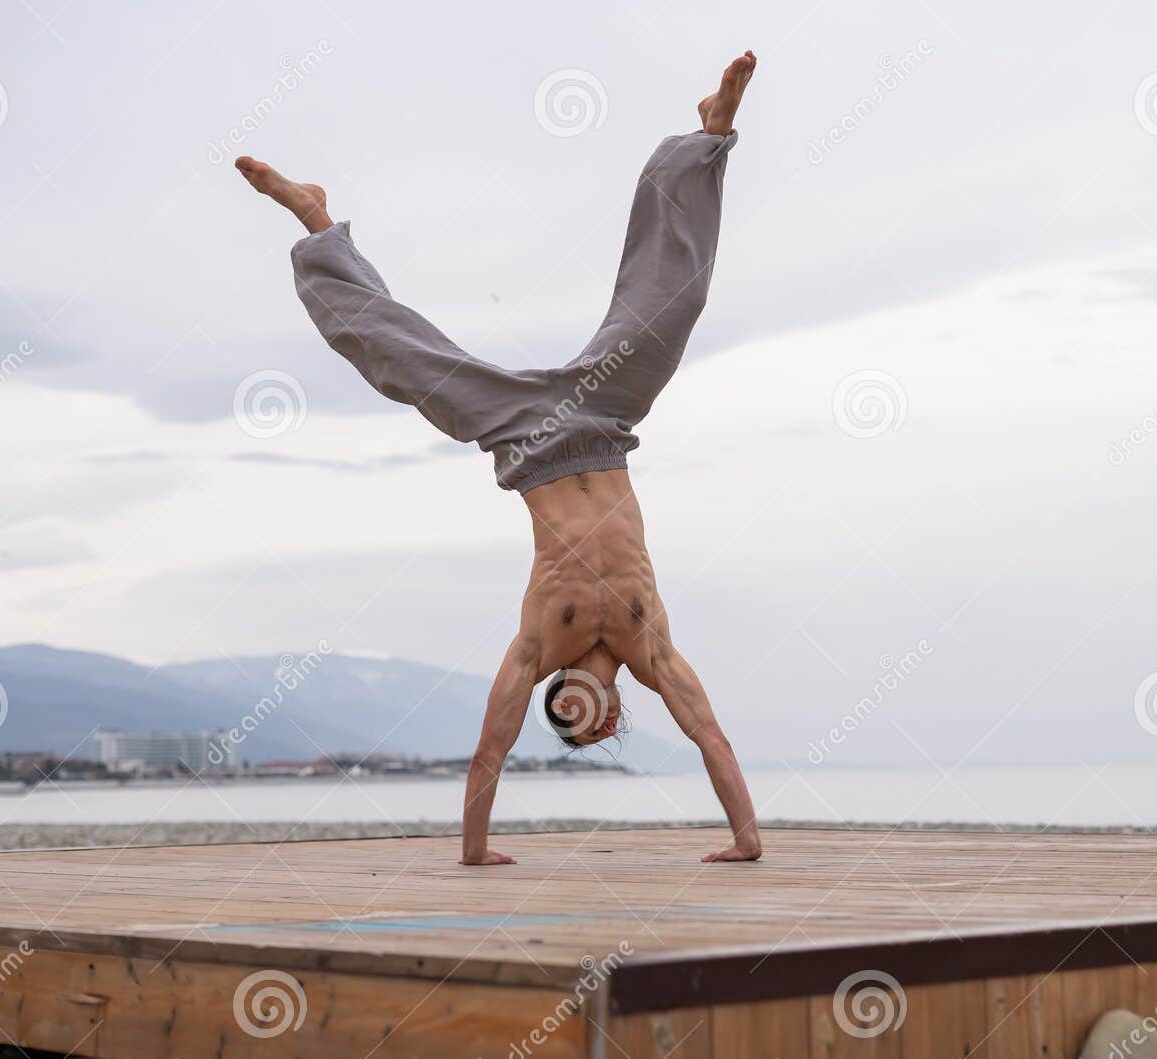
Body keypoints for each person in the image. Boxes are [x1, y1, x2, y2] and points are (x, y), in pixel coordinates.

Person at [236, 52, 763, 865]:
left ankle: (316, 225)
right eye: (596, 725)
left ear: (569, 703)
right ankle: (708, 137)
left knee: (403, 360)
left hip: (524, 438)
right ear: (615, 714)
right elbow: (711, 734)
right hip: (605, 414)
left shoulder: (536, 647)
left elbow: (491, 751)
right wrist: (748, 838)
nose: (587, 715)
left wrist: (473, 850)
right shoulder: (650, 648)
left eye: (573, 720)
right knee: (675, 304)